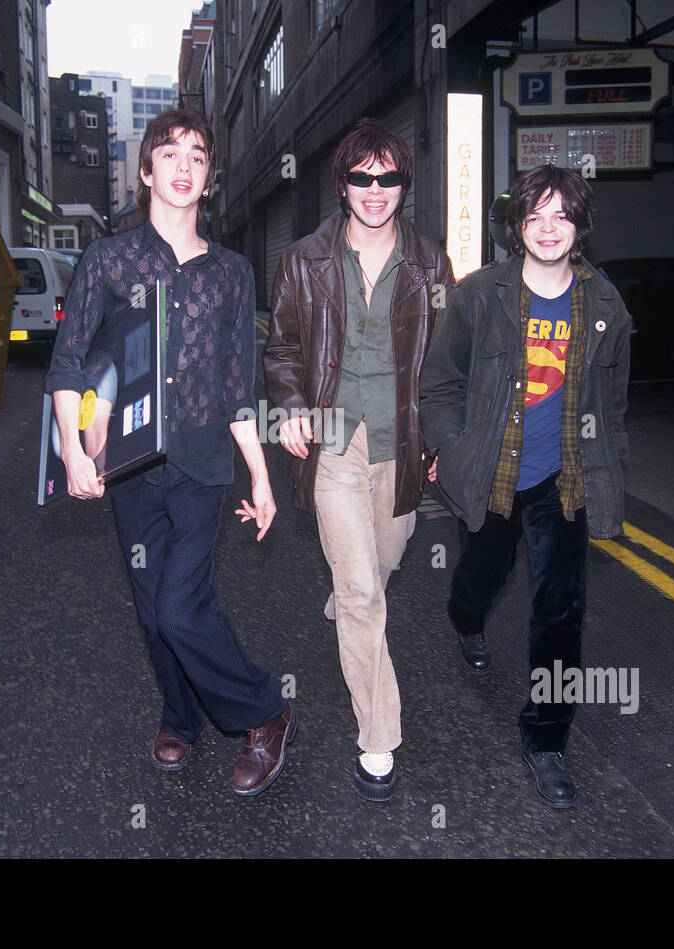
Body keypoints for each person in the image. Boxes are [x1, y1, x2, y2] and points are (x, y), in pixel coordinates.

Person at [45, 108, 295, 798]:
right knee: (153, 610)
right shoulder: (108, 259)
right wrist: (72, 449)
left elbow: (238, 381)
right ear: (147, 171)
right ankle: (180, 717)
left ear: (209, 177)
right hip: (129, 466)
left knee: (184, 607)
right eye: (170, 153)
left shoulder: (232, 272)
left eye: (198, 155)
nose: (184, 166)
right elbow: (69, 365)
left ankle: (265, 712)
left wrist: (261, 476)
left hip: (202, 464)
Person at [419, 163, 630, 808]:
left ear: (579, 226)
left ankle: (546, 741)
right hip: (493, 472)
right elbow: (440, 384)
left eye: (560, 215)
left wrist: (606, 470)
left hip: (562, 482)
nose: (547, 228)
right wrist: (453, 451)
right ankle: (467, 621)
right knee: (478, 580)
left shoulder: (604, 306)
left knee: (561, 610)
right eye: (534, 215)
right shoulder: (479, 296)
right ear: (517, 226)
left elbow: (612, 404)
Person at [264, 119, 452, 802]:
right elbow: (283, 346)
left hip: (399, 440)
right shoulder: (304, 259)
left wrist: (437, 440)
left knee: (385, 558)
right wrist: (288, 407)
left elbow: (443, 364)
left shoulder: (430, 264)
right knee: (364, 596)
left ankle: (348, 586)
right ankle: (378, 737)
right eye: (362, 177)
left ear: (403, 184)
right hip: (334, 438)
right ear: (343, 183)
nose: (376, 191)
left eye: (389, 178)